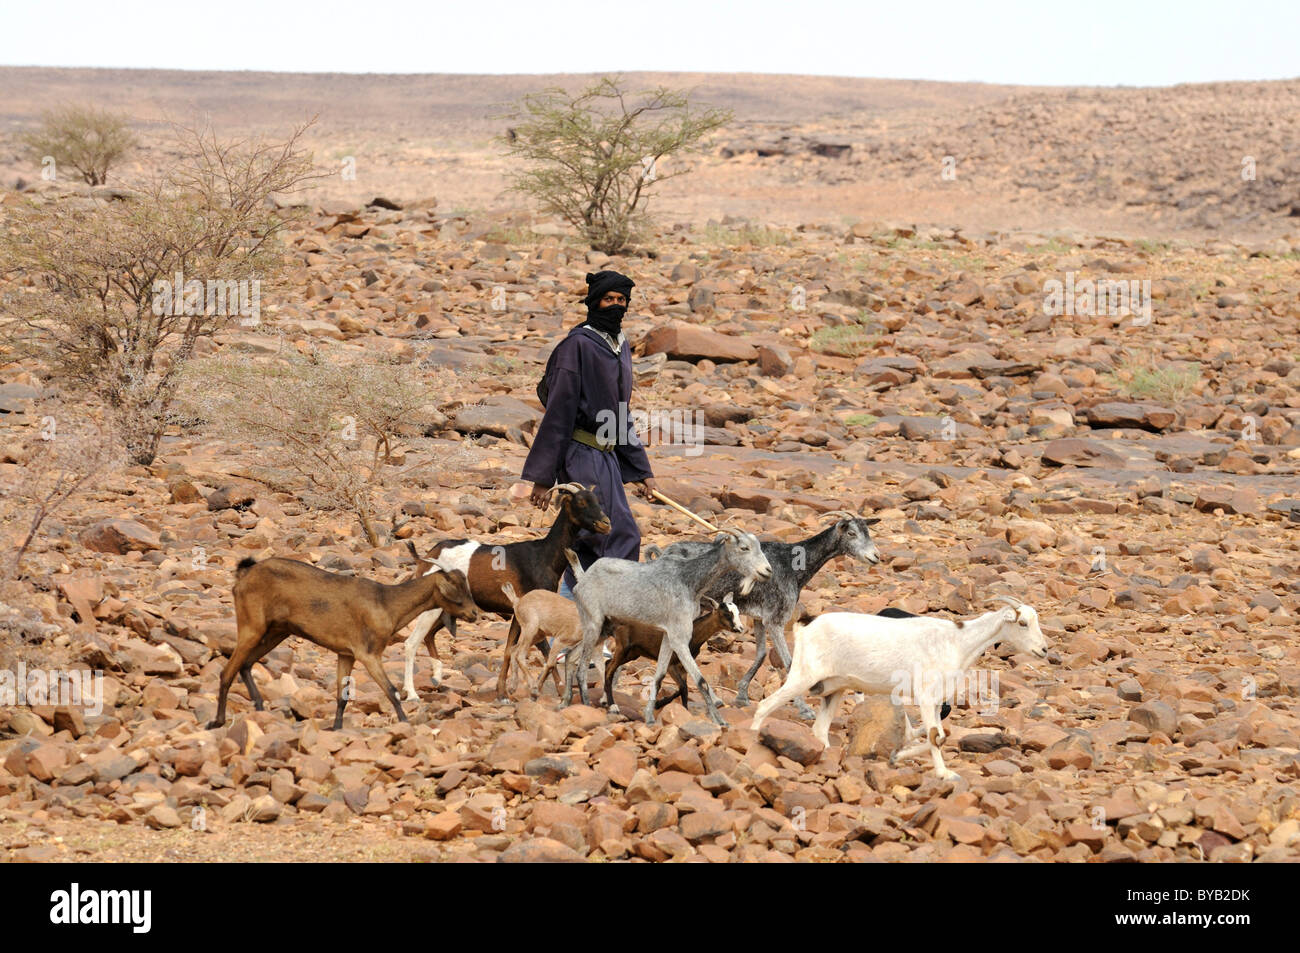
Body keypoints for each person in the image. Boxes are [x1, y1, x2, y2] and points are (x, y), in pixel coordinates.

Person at [522, 270, 658, 601]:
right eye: (608, 299)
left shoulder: (619, 346)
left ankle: (584, 631)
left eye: (621, 300)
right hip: (580, 456)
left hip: (607, 458)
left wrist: (641, 471)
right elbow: (558, 414)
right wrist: (541, 477)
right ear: (594, 301)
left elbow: (620, 415)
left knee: (606, 538)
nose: (615, 305)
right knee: (607, 535)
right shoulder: (577, 346)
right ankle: (577, 626)